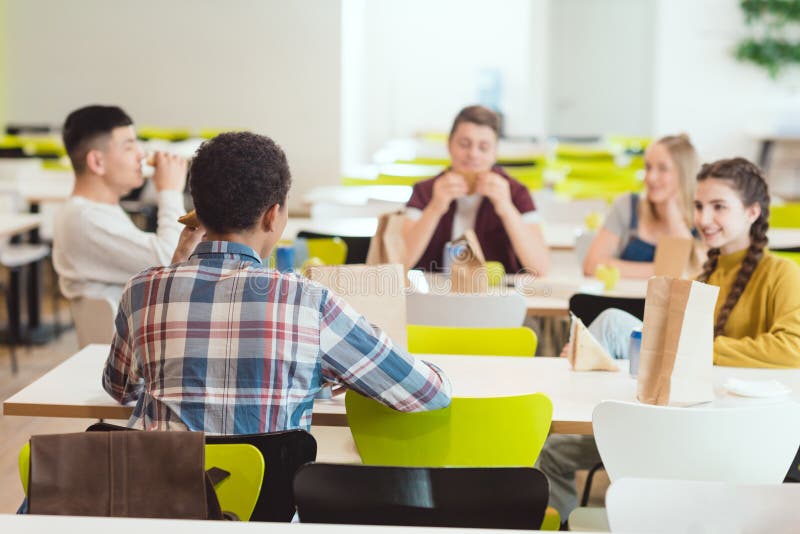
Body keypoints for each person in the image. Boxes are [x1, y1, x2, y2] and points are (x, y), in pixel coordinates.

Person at [102, 131, 451, 433]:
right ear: (273, 215)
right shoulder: (308, 302)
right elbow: (428, 393)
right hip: (271, 506)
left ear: (197, 213)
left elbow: (120, 389)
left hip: (165, 502)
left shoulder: (142, 289)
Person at [539, 157, 800, 523]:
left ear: (753, 211)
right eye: (698, 206)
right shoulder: (704, 274)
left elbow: (792, 348)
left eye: (719, 206)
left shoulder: (782, 273)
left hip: (728, 436)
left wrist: (695, 351)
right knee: (613, 326)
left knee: (552, 452)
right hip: (684, 417)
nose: (704, 218)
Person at [53, 105, 191, 305]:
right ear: (97, 162)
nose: (141, 154)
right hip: (128, 335)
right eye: (129, 146)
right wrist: (169, 191)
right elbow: (171, 263)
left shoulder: (97, 211)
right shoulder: (85, 219)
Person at [402, 105, 550, 275]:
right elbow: (401, 262)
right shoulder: (424, 191)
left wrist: (506, 208)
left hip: (496, 296)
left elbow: (541, 268)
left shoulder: (516, 193)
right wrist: (435, 207)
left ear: (495, 152)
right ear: (449, 145)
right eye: (464, 144)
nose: (473, 154)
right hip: (435, 295)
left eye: (484, 147)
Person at [583, 134, 703, 278]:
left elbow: (698, 273)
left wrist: (674, 217)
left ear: (685, 174)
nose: (650, 177)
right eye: (648, 167)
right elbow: (592, 265)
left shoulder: (704, 215)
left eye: (663, 168)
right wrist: (663, 271)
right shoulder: (627, 206)